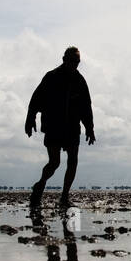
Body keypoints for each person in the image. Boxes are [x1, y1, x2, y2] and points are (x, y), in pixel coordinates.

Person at [25, 46, 95, 209]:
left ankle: (64, 197)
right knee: (54, 162)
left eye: (77, 62)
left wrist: (90, 128)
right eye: (72, 61)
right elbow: (36, 99)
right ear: (64, 60)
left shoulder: (80, 81)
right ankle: (40, 185)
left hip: (72, 127)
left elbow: (86, 107)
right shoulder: (51, 77)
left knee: (73, 161)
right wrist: (30, 119)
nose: (75, 65)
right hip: (53, 126)